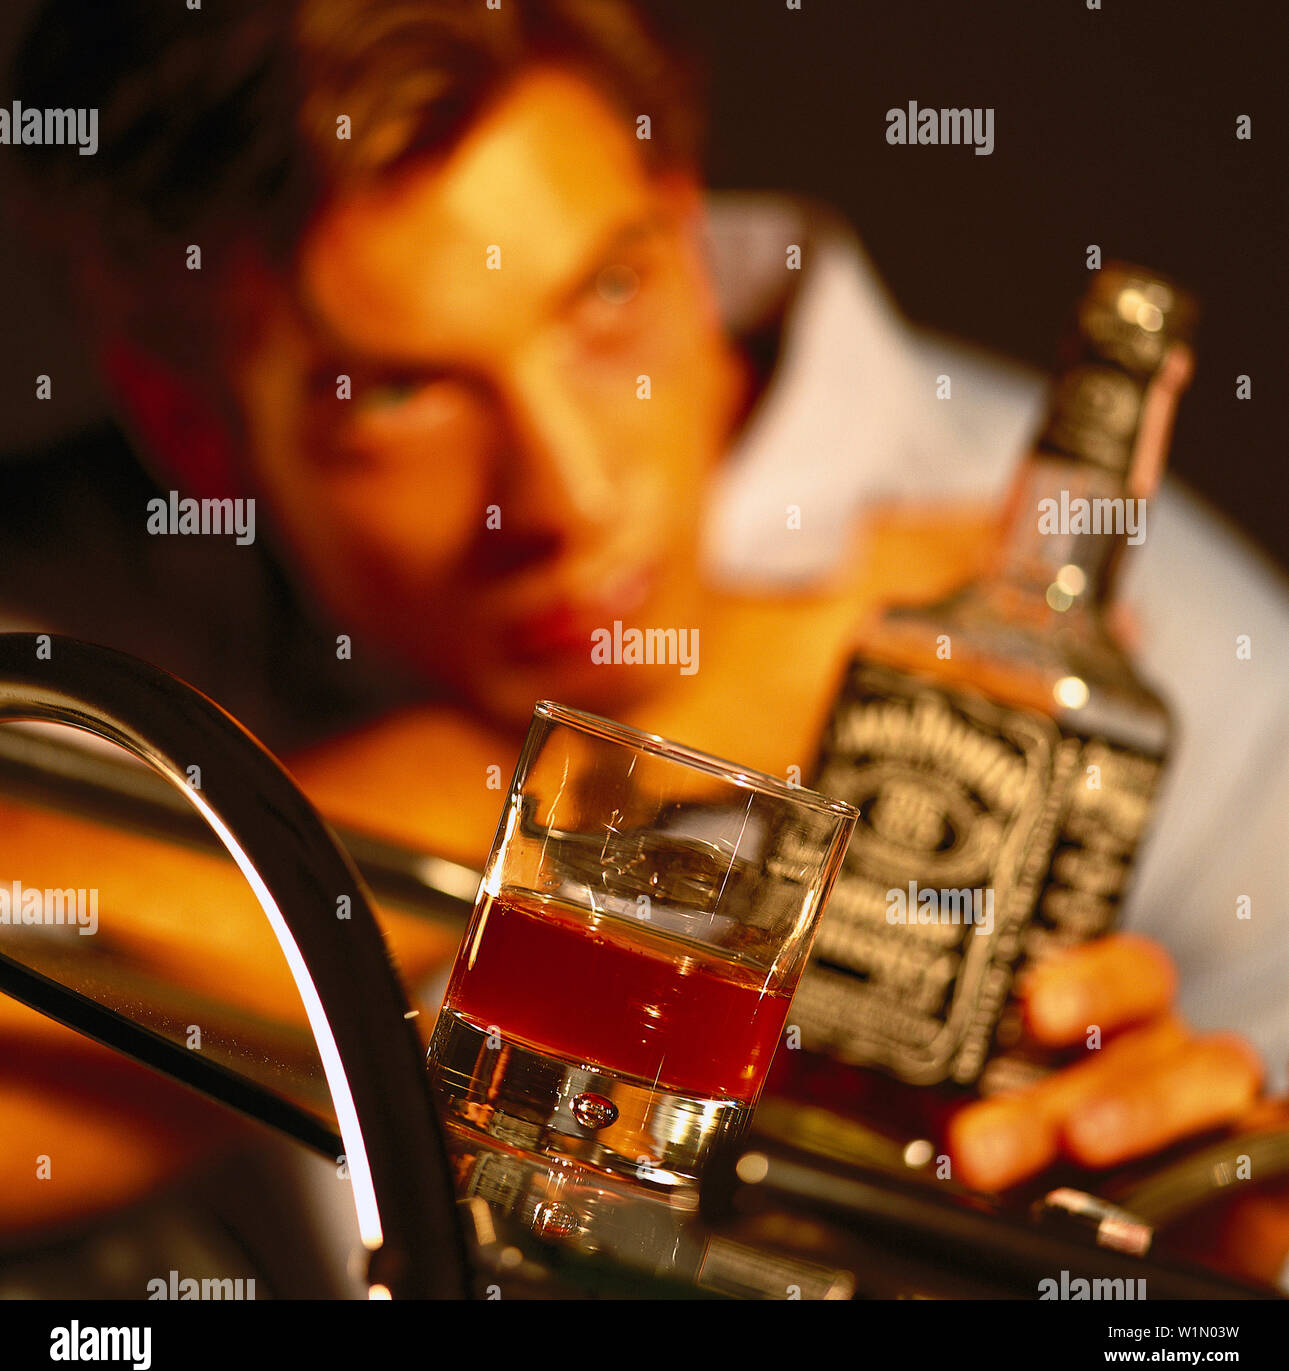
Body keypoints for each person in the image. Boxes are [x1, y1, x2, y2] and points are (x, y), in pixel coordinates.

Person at [2, 0, 1287, 1285]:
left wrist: (1183, 1270)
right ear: (192, 430)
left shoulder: (1186, 651)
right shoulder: (83, 582)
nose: (566, 494)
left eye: (607, 291)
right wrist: (711, 703)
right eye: (390, 393)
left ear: (681, 218)